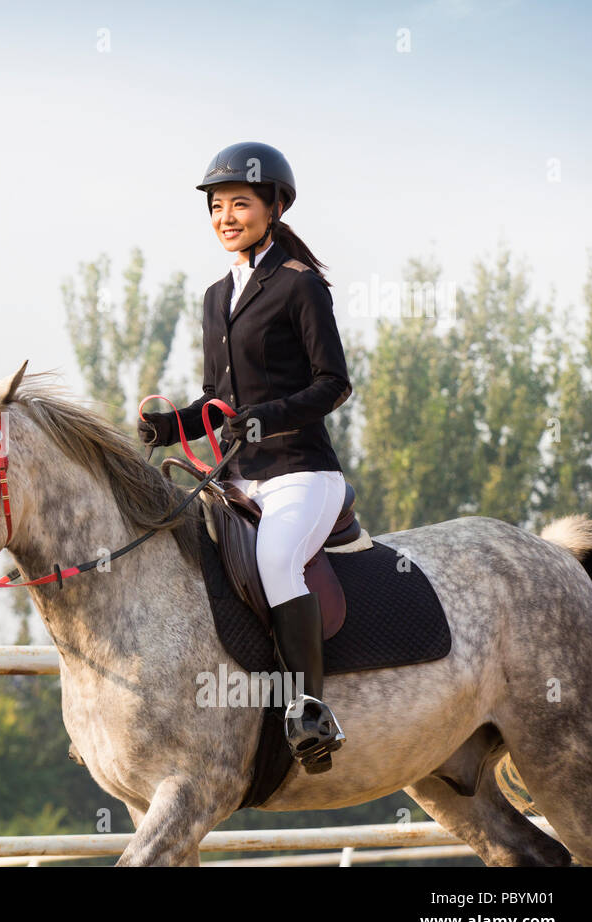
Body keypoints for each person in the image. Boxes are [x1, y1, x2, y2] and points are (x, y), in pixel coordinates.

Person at [138, 142, 353, 774]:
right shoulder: (214, 295)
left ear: (274, 206)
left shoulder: (299, 285)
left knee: (276, 558)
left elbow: (332, 382)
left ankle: (311, 711)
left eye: (240, 204)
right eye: (217, 206)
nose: (226, 216)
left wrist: (272, 416)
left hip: (301, 474)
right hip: (240, 478)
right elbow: (218, 399)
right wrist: (171, 426)